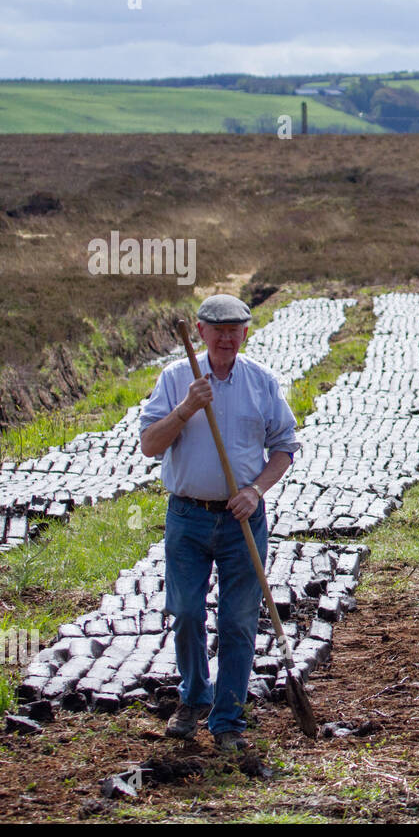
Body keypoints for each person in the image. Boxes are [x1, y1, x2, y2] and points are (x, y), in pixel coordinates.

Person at [139, 294, 299, 752]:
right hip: (187, 516)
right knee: (186, 611)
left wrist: (255, 490)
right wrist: (187, 408)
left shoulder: (262, 383)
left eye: (236, 330)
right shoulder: (175, 380)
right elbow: (150, 444)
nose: (227, 338)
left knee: (239, 619)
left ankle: (227, 718)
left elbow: (284, 447)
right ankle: (193, 697)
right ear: (201, 332)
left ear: (245, 333)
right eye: (218, 330)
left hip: (241, 519)